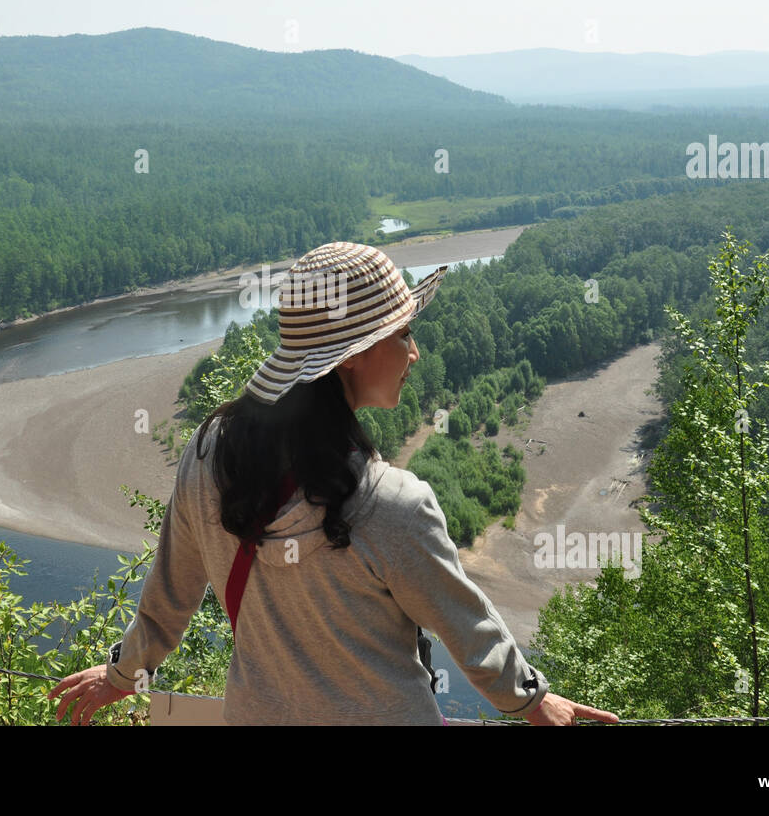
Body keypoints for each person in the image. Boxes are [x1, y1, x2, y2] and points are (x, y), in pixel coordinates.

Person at [49, 241, 618, 726]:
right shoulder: (392, 504)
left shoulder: (208, 455)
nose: (415, 353)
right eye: (405, 334)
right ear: (353, 355)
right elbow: (464, 624)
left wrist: (125, 674)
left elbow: (169, 595)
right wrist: (532, 701)